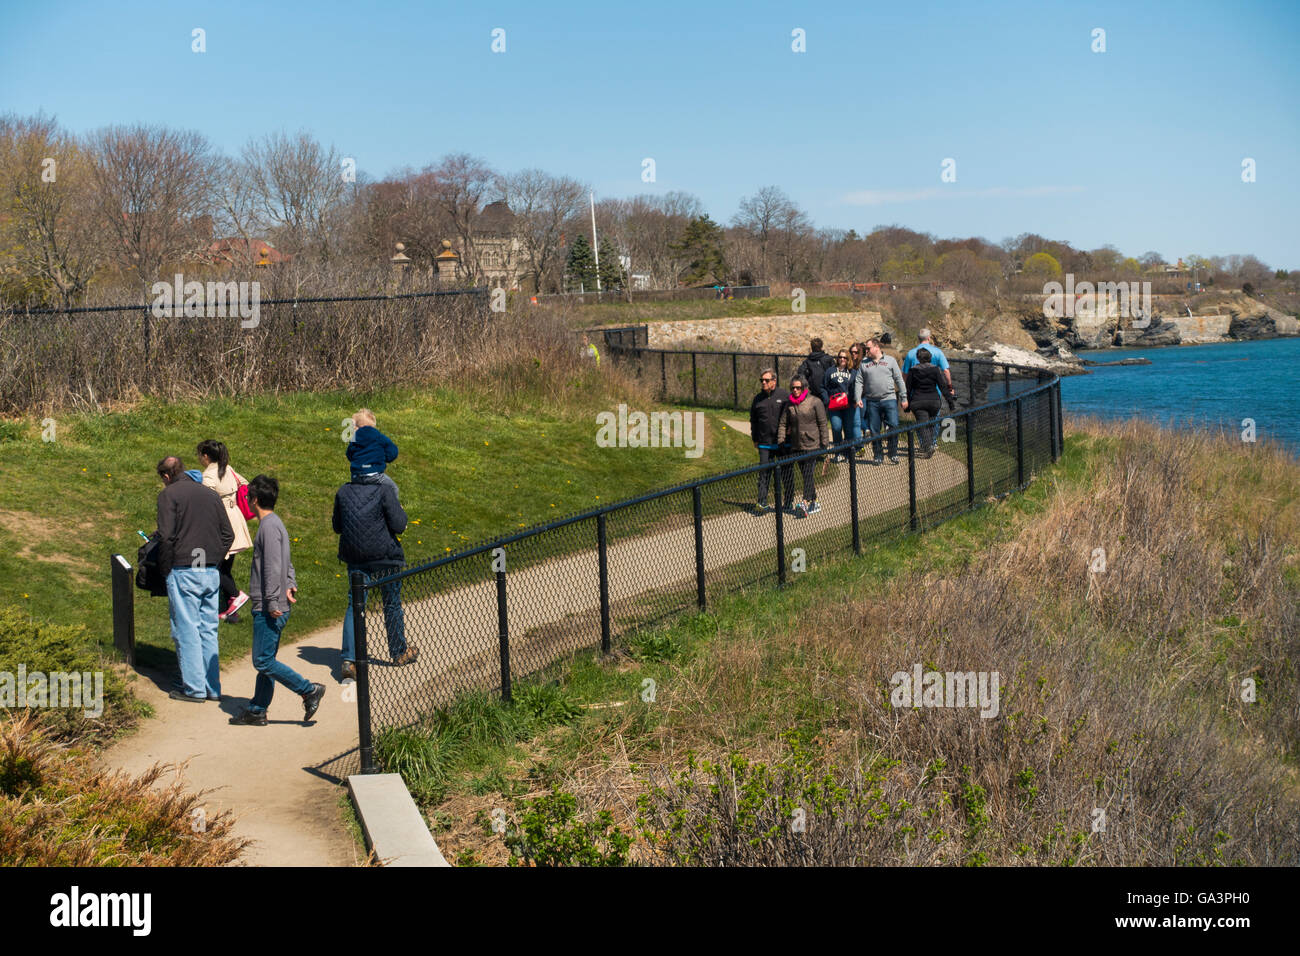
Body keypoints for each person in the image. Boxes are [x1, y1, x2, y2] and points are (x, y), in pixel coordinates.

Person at [230, 475, 325, 726]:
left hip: (269, 606)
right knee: (267, 658)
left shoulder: (268, 528)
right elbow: (286, 561)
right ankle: (257, 709)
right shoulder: (275, 524)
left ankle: (308, 690)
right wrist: (291, 582)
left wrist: (272, 602)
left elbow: (273, 567)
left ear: (255, 500)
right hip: (274, 602)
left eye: (249, 498)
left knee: (262, 660)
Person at [155, 455, 233, 702]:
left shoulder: (169, 495)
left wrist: (165, 568)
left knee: (186, 629)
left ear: (167, 476)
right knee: (209, 629)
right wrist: (214, 560)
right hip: (209, 570)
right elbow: (227, 535)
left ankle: (194, 688)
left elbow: (166, 537)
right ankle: (212, 688)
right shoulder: (209, 494)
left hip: (184, 568)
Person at [334, 467, 418, 681]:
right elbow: (400, 525)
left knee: (355, 604)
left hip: (356, 557)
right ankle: (398, 652)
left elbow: (337, 526)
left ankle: (349, 660)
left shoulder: (343, 492)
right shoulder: (384, 490)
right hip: (385, 555)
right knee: (391, 602)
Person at [197, 439, 252, 624]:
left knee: (215, 567)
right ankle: (231, 610)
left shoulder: (208, 476)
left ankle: (236, 596)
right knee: (225, 567)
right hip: (235, 518)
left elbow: (205, 501)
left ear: (205, 456)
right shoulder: (228, 468)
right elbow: (245, 484)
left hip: (221, 523)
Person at [776, 375, 829, 517]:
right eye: (793, 388)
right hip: (797, 445)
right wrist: (781, 440)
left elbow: (823, 423)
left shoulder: (815, 402)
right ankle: (815, 501)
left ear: (804, 387)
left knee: (808, 473)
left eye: (798, 387)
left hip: (813, 444)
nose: (795, 390)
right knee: (806, 475)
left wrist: (825, 443)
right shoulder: (789, 404)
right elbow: (782, 424)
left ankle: (804, 503)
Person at [854, 339, 908, 465]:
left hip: (889, 399)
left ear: (876, 347)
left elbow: (899, 380)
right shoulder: (864, 363)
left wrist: (904, 397)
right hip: (872, 401)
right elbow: (859, 381)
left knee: (894, 425)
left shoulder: (890, 361)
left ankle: (892, 452)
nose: (866, 351)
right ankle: (878, 455)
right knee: (874, 430)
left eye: (868, 348)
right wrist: (858, 398)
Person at [748, 368, 789, 515]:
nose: (763, 383)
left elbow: (792, 415)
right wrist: (755, 438)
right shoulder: (757, 399)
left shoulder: (784, 395)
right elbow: (753, 420)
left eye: (766, 380)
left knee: (786, 472)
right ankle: (762, 502)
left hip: (782, 443)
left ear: (774, 381)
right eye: (762, 380)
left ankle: (788, 502)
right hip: (764, 443)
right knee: (764, 473)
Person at [904, 348, 955, 457]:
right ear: (930, 358)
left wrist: (907, 405)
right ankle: (930, 445)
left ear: (918, 358)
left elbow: (908, 389)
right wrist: (950, 402)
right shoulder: (935, 369)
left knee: (922, 425)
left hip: (918, 401)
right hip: (934, 401)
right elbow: (942, 386)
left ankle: (928, 446)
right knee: (931, 424)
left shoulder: (913, 370)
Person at [347, 408, 399, 492]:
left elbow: (349, 454)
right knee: (393, 488)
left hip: (356, 476)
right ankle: (393, 505)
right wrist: (384, 458)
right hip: (374, 475)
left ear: (356, 427)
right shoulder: (378, 436)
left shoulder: (354, 439)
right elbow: (393, 452)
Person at [901, 328, 953, 403]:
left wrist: (906, 391)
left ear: (918, 339)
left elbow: (905, 374)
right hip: (934, 394)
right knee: (934, 413)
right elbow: (946, 371)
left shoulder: (910, 353)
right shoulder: (937, 352)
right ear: (929, 338)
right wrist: (950, 387)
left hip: (916, 394)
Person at [823, 348, 855, 462]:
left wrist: (855, 399)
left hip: (848, 405)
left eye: (845, 357)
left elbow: (856, 387)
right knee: (836, 427)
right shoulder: (830, 371)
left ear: (848, 359)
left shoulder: (852, 372)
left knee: (848, 429)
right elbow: (823, 386)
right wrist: (827, 399)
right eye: (840, 357)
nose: (842, 359)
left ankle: (847, 454)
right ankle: (838, 452)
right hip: (834, 405)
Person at [796, 337, 835, 407]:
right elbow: (834, 371)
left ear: (811, 347)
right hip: (827, 388)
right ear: (821, 346)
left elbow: (800, 372)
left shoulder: (808, 361)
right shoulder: (828, 359)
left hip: (814, 389)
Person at [847, 342, 869, 457]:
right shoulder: (848, 364)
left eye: (856, 352)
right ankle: (853, 444)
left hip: (862, 397)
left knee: (858, 421)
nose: (853, 354)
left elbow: (865, 382)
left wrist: (858, 397)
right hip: (849, 397)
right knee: (854, 422)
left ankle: (860, 446)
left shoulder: (863, 364)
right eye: (852, 352)